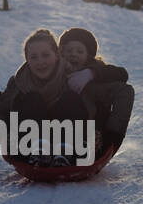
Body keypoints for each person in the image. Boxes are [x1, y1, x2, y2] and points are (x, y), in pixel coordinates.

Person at [0, 29, 88, 163]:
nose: (40, 61)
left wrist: (92, 73)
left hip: (67, 137)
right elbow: (2, 109)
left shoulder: (72, 74)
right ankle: (38, 151)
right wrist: (5, 138)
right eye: (34, 57)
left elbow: (97, 93)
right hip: (29, 142)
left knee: (70, 99)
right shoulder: (21, 82)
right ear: (27, 60)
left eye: (45, 55)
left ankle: (65, 151)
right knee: (32, 99)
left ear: (56, 55)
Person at [56, 27, 134, 155]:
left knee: (124, 91)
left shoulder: (96, 70)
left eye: (80, 51)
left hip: (93, 127)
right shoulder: (55, 71)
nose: (74, 54)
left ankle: (108, 137)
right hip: (62, 128)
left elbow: (122, 74)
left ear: (88, 56)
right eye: (69, 50)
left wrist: (91, 73)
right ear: (62, 53)